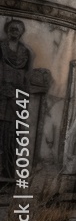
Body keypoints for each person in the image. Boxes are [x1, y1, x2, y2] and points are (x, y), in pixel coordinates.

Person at [0, 19, 32, 181]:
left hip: (16, 97)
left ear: (21, 33)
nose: (14, 31)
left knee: (12, 134)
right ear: (7, 30)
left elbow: (27, 76)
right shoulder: (1, 47)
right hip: (1, 95)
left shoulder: (25, 52)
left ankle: (8, 170)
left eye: (17, 29)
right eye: (12, 28)